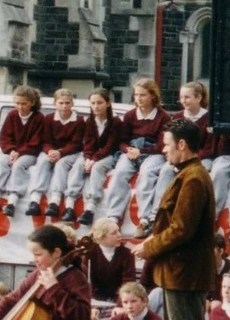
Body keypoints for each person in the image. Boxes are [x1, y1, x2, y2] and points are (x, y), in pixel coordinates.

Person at [134, 119, 218, 320]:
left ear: (182, 145)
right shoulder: (189, 175)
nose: (164, 149)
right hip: (179, 274)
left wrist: (149, 247)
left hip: (184, 275)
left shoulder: (194, 179)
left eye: (168, 144)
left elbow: (181, 228)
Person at [142, 81, 214, 229]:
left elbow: (210, 148)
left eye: (187, 97)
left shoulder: (209, 118)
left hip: (202, 158)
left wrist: (190, 159)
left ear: (198, 98)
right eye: (181, 97)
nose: (183, 101)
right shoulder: (177, 117)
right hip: (178, 157)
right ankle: (157, 212)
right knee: (166, 170)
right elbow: (168, 142)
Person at [103, 78, 167, 230]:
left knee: (146, 174)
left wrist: (142, 151)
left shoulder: (163, 116)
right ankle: (113, 216)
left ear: (152, 96)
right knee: (119, 174)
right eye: (137, 95)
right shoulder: (130, 115)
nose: (139, 98)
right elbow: (123, 140)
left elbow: (162, 145)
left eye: (143, 95)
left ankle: (145, 219)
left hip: (153, 152)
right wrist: (128, 151)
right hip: (132, 151)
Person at [0, 85, 44, 217]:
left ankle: (12, 202)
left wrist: (20, 152)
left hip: (29, 153)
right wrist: (11, 150)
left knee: (19, 165)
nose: (20, 107)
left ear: (32, 103)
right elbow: (4, 137)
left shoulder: (39, 118)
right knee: (1, 163)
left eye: (24, 103)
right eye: (17, 103)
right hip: (11, 152)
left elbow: (36, 142)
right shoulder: (12, 115)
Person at [27, 89, 83, 220]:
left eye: (67, 103)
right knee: (42, 162)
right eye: (61, 103)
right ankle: (35, 200)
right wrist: (50, 151)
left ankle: (55, 202)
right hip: (51, 151)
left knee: (61, 165)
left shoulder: (79, 121)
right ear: (55, 103)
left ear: (72, 104)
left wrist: (60, 152)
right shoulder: (49, 119)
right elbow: (45, 140)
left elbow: (76, 143)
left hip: (69, 153)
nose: (64, 106)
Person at [74, 88, 123, 226]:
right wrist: (88, 158)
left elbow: (111, 146)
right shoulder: (90, 121)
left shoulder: (115, 122)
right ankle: (70, 202)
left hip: (111, 154)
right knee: (79, 165)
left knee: (97, 168)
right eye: (93, 103)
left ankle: (90, 207)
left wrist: (94, 160)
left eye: (100, 103)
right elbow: (88, 143)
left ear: (108, 103)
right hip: (94, 155)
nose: (96, 106)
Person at [86, 217, 135, 302]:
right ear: (101, 238)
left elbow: (128, 282)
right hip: (95, 300)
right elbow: (85, 283)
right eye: (114, 233)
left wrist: (120, 304)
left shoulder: (126, 253)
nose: (119, 235)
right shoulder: (89, 253)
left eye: (118, 230)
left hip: (119, 300)